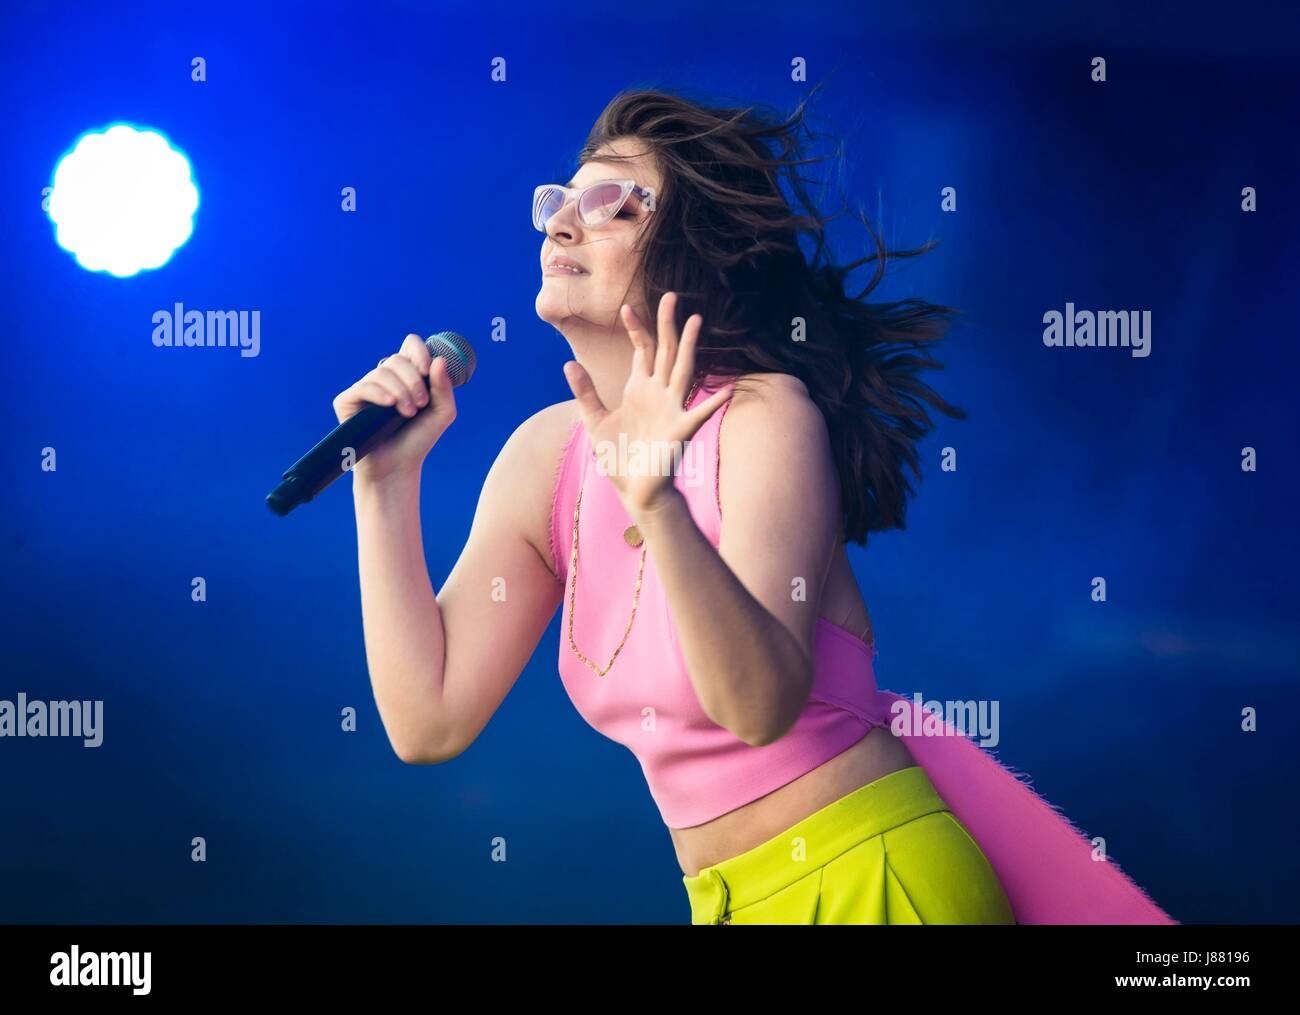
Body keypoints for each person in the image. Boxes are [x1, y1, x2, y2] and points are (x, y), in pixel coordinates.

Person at [333, 86, 1175, 925]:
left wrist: (657, 503)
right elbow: (428, 721)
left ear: (689, 250)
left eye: (610, 205)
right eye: (559, 201)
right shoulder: (542, 457)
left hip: (870, 880)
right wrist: (384, 482)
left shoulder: (766, 417)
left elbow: (759, 705)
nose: (560, 222)